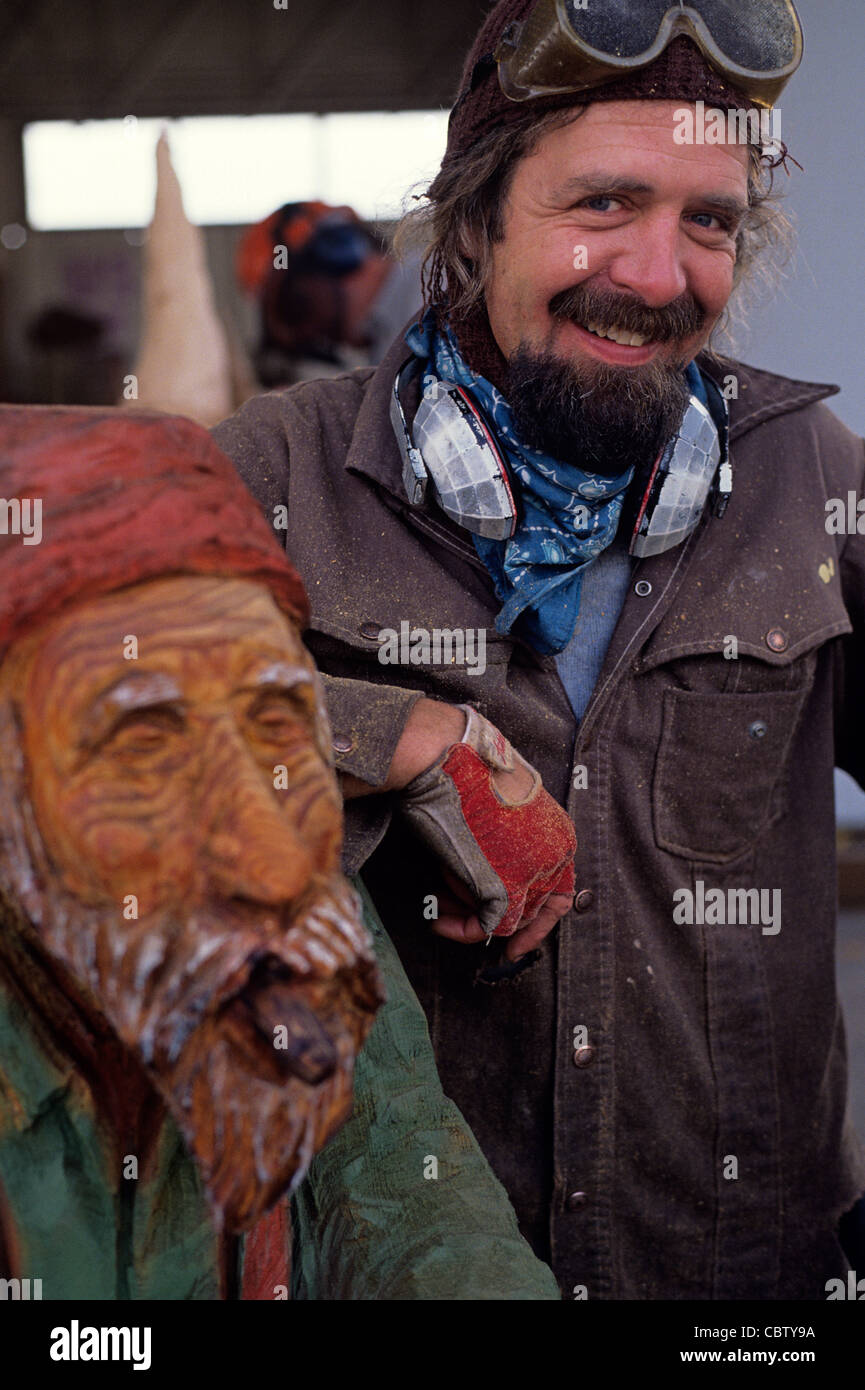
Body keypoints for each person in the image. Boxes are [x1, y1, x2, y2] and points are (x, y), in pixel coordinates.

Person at [213, 0, 865, 1300]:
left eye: (708, 221)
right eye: (603, 205)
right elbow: (61, 706)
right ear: (468, 224)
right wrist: (382, 732)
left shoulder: (809, 482)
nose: (653, 272)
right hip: (393, 1269)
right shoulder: (276, 474)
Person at [0, 405, 559, 1301]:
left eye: (275, 727)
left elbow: (412, 1196)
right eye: (144, 748)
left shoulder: (296, 923)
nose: (267, 858)